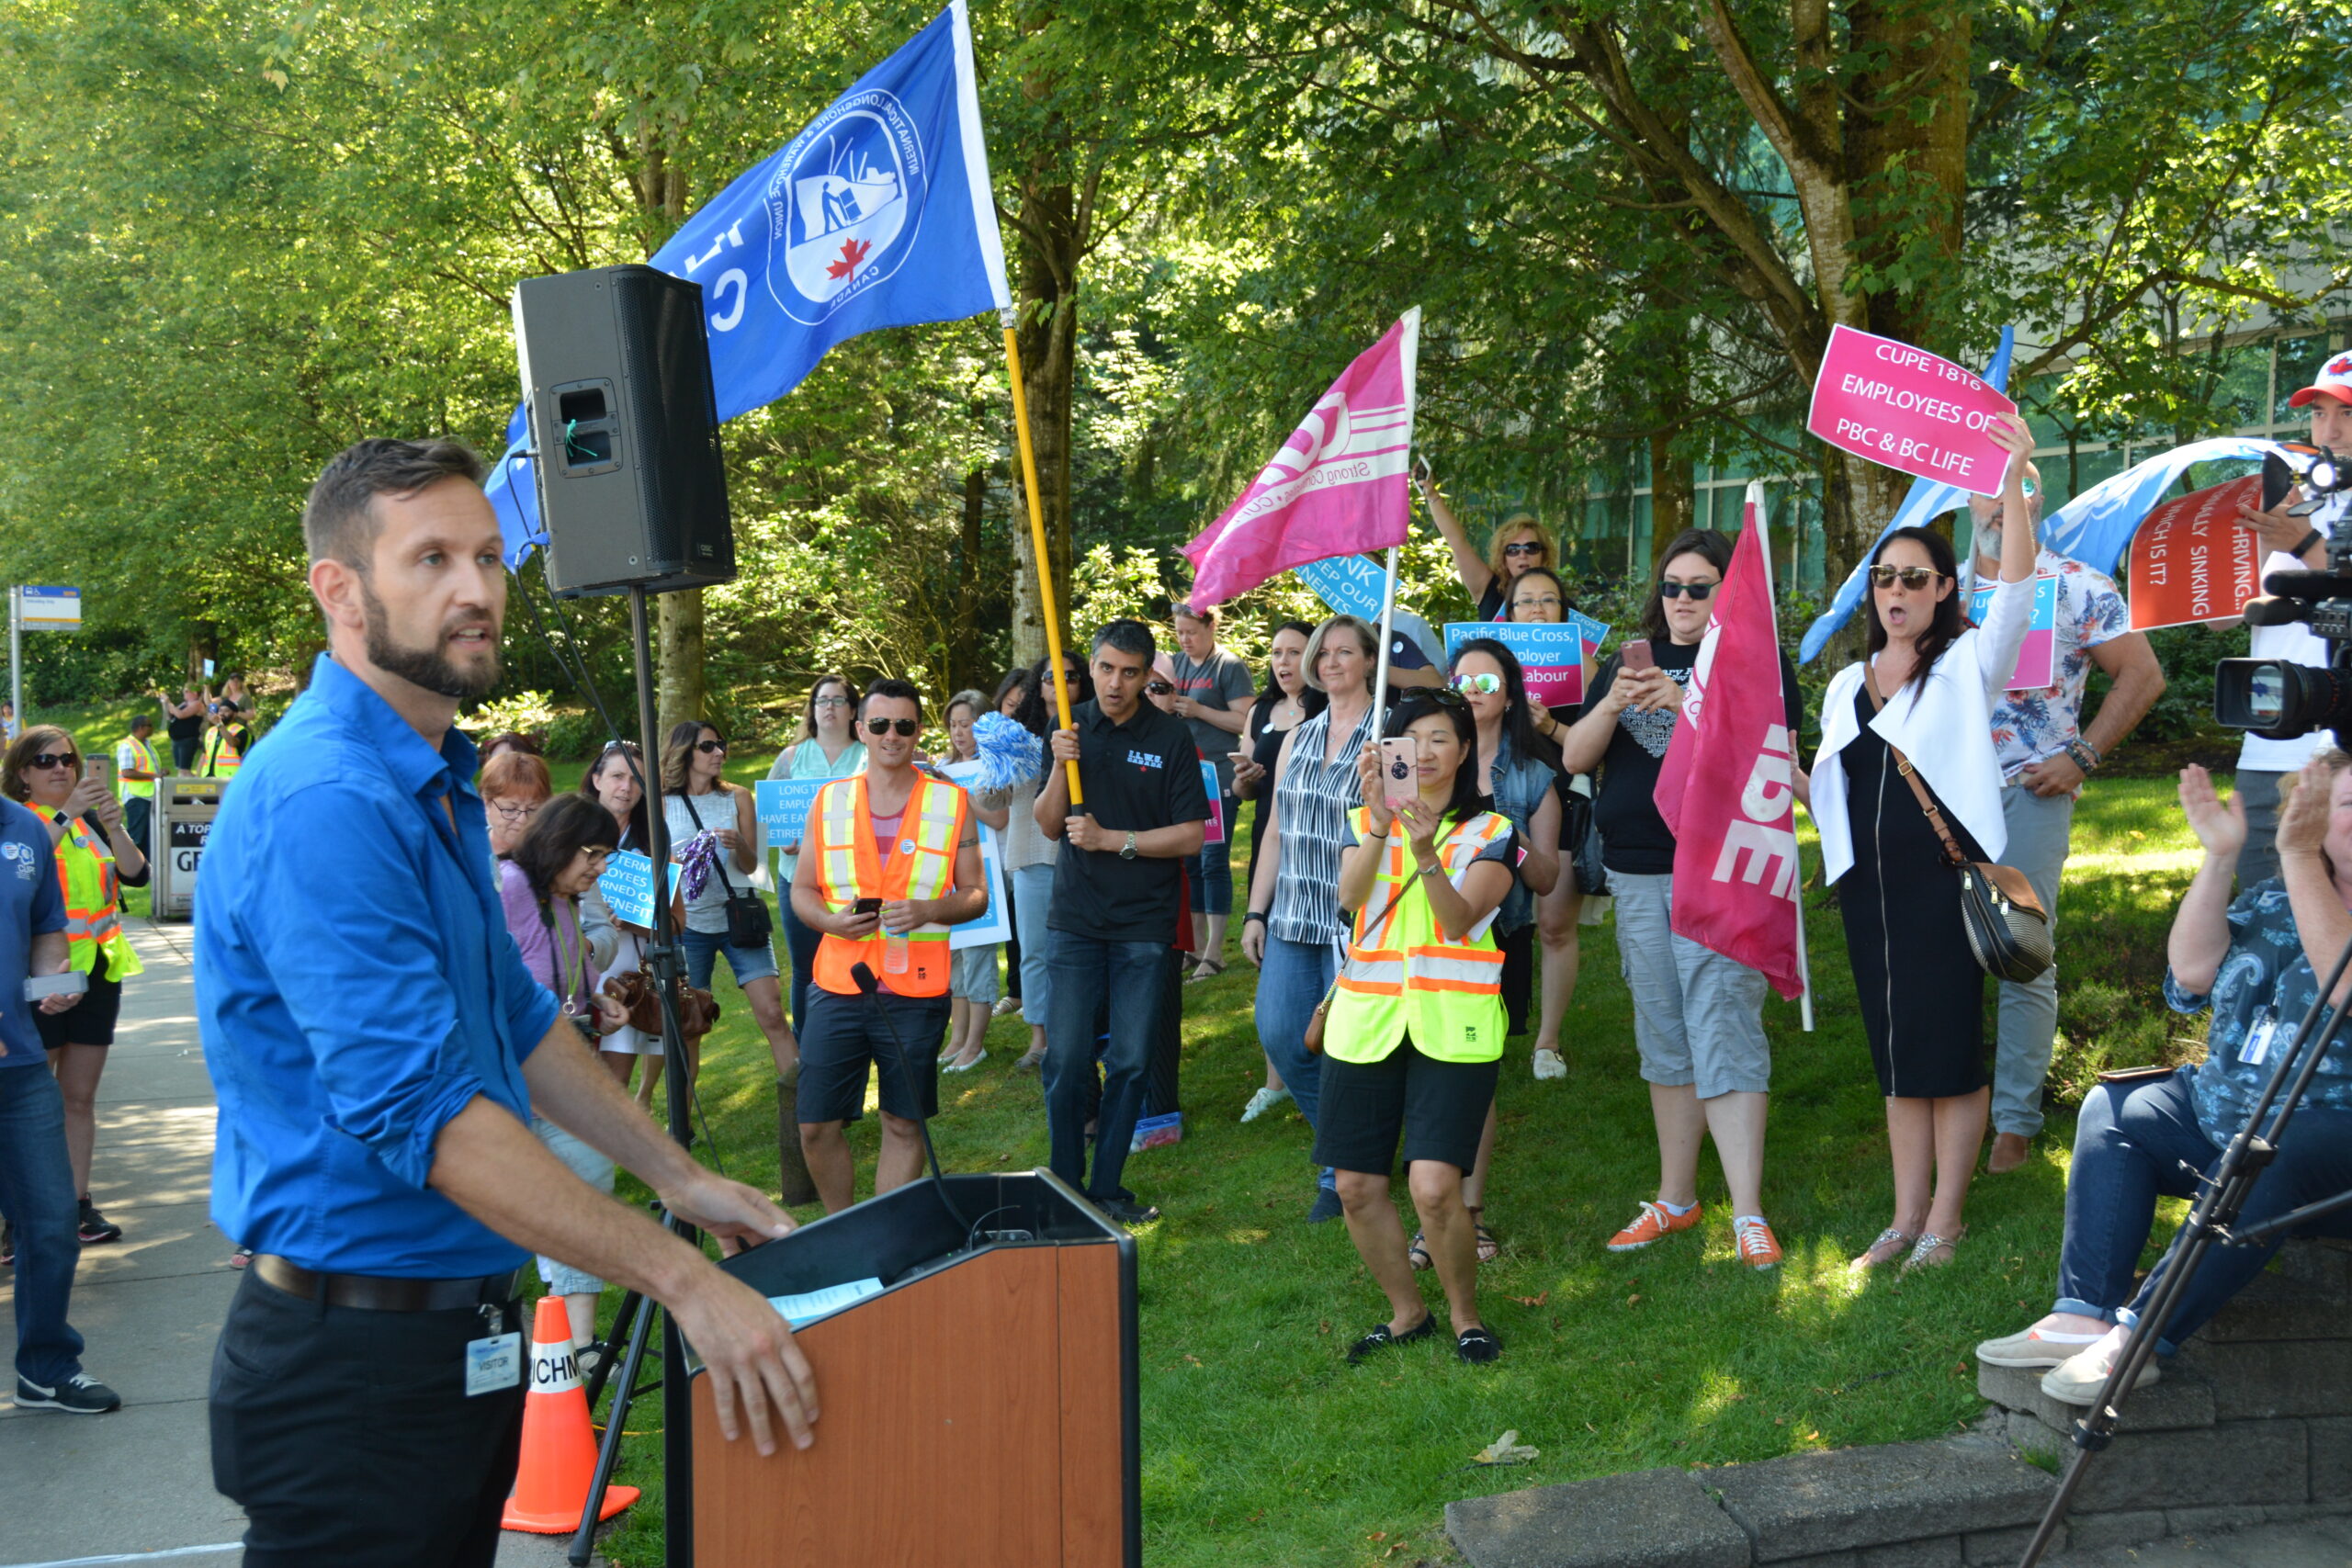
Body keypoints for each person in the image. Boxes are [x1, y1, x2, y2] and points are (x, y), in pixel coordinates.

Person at [201, 438, 816, 1566]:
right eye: (431, 559)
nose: (477, 588)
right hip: (354, 1368)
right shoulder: (326, 798)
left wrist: (679, 1178)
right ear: (340, 590)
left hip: (454, 1337)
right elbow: (427, 1116)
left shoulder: (427, 776)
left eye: (488, 556)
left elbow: (519, 1019)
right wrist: (680, 1279)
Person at [1976, 759, 2352, 1404]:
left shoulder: (2299, 874)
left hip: (2325, 1143)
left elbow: (2343, 989)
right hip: (2228, 1117)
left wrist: (2295, 856)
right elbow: (2192, 971)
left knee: (2265, 1150)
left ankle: (2141, 1337)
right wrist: (2220, 857)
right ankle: (2082, 1314)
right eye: (2343, 805)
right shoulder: (2271, 899)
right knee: (2119, 1108)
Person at [1812, 414, 2040, 1273]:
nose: (1896, 590)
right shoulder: (1845, 683)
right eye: (1884, 577)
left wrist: (2013, 482)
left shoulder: (1965, 666)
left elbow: (2015, 593)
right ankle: (1904, 1217)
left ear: (1944, 588)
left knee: (1946, 1053)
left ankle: (1946, 1220)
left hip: (1943, 889)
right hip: (1868, 894)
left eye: (1914, 577)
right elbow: (1837, 789)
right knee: (1898, 1058)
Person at [1558, 532, 1805, 1269]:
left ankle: (1748, 1211)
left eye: (1700, 587)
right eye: (1672, 586)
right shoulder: (1626, 661)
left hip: (1717, 871)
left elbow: (1772, 770)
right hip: (1636, 873)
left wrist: (1689, 703)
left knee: (1723, 1027)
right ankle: (1676, 1198)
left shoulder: (1753, 664)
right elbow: (1575, 758)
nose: (1683, 600)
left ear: (1727, 594)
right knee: (1663, 1033)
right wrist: (1612, 703)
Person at [1961, 465, 2166, 1175]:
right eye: (1987, 488)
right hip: (1939, 801)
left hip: (2029, 793)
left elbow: (2143, 673)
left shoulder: (2078, 585)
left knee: (2020, 954)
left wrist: (2081, 755)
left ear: (2037, 497)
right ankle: (1949, 1104)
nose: (2001, 501)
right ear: (1966, 499)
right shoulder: (1938, 588)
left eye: (2017, 486)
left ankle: (2014, 1122)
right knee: (1942, 957)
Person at [1323, 688, 1516, 1366]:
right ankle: (1408, 1313)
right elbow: (1350, 899)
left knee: (1435, 1188)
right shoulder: (1362, 820)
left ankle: (1466, 1316)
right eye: (1412, 740)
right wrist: (1381, 825)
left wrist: (1427, 851)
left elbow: (1459, 920)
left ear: (1465, 751)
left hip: (1453, 1024)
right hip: (1365, 1020)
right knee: (1355, 1187)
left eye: (1441, 739)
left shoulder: (1491, 831)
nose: (1426, 753)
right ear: (1389, 752)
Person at [1035, 621, 1208, 1227]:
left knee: (1131, 1060)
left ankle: (1106, 1185)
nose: (1115, 683)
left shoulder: (1170, 735)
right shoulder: (1069, 726)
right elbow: (1048, 825)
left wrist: (1113, 839)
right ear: (1093, 666)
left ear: (1145, 675)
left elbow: (1191, 834)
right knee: (1066, 1059)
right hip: (1076, 919)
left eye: (1130, 673)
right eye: (1106, 668)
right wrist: (1059, 766)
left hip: (1143, 923)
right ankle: (1064, 1184)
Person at [789, 679, 984, 1212]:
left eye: (903, 725)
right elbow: (802, 890)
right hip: (837, 982)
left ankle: (886, 1236)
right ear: (861, 730)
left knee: (903, 1122)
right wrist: (831, 923)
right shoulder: (830, 800)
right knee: (815, 1126)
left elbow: (976, 895)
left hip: (916, 988)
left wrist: (930, 910)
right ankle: (845, 1230)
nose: (891, 735)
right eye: (879, 724)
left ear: (918, 732)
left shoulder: (951, 802)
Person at [1420, 637, 1561, 1270]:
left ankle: (1467, 1211)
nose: (1473, 692)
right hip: (1420, 939)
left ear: (1509, 696)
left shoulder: (1533, 775)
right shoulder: (1419, 758)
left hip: (1497, 940)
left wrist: (1508, 835)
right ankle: (1433, 1209)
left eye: (1487, 683)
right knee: (1421, 1071)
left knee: (1472, 1075)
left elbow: (1547, 879)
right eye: (1463, 681)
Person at [1242, 615, 1384, 1222]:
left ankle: (1340, 1173)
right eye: (1323, 653)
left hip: (1354, 919)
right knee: (1280, 1034)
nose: (1330, 662)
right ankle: (1351, 1148)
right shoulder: (1298, 735)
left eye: (1344, 652)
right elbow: (1274, 829)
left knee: (1346, 1050)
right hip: (1291, 914)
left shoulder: (1388, 735)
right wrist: (1255, 911)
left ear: (1369, 660)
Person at [496, 795, 631, 1360]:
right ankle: (497, 1329)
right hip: (511, 1073)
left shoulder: (564, 896)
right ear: (560, 843)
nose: (599, 868)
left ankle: (581, 1345)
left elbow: (571, 958)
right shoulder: (509, 886)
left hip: (564, 1067)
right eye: (593, 854)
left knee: (588, 1186)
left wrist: (597, 994)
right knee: (509, 1206)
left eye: (605, 857)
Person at [6, 727, 150, 1249]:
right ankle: (20, 1217)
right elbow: (23, 867)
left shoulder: (86, 824)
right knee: (27, 1102)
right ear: (23, 772)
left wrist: (114, 826)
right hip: (38, 980)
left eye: (67, 759)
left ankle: (76, 1205)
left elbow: (136, 874)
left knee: (79, 1099)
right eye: (46, 761)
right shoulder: (18, 823)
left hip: (97, 974)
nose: (62, 768)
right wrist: (67, 815)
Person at [0, 785, 119, 1412]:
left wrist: (55, 982)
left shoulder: (25, 829)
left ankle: (46, 1368)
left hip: (19, 1067)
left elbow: (46, 928)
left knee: (52, 1223)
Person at [2224, 351, 2352, 889]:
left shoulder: (2299, 523)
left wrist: (2302, 543)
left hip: (2342, 750)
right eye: (2320, 413)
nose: (2330, 430)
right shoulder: (2292, 503)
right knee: (2261, 910)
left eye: (2347, 413)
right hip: (2269, 733)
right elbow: (2221, 621)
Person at [664, 719, 799, 1090]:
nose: (719, 753)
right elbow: (654, 868)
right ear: (684, 752)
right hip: (689, 927)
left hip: (739, 918)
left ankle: (803, 1110)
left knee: (773, 1014)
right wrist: (678, 863)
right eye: (708, 746)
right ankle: (684, 1117)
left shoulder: (737, 797)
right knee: (690, 1026)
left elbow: (753, 867)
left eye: (720, 744)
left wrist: (739, 844)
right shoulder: (661, 803)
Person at [1505, 564, 1597, 1077]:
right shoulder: (1489, 661)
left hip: (1561, 796)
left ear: (1564, 612)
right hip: (1496, 797)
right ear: (1509, 612)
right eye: (1526, 600)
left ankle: (1548, 1042)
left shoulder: (1584, 664)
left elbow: (1601, 745)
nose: (1537, 609)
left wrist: (1552, 726)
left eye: (1548, 600)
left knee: (1555, 926)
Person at [1231, 619, 1322, 1121]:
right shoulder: (1260, 711)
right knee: (1270, 952)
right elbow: (1242, 792)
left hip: (1315, 849)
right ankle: (1276, 1079)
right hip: (1269, 841)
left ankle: (1319, 1063)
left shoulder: (1328, 710)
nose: (1283, 662)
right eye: (1276, 653)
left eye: (1294, 652)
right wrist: (1247, 777)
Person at [767, 676, 867, 1031]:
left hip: (851, 878)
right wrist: (782, 838)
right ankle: (806, 1043)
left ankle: (850, 1035)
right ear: (812, 709)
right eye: (822, 700)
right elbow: (770, 815)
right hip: (798, 876)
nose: (829, 707)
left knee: (854, 960)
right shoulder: (791, 757)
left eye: (838, 700)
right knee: (805, 968)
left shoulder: (867, 755)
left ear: (853, 711)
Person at [1167, 604, 1255, 982]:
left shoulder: (1228, 666)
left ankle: (1215, 952)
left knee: (1213, 861)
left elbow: (1246, 720)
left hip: (1217, 774)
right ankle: (1195, 946)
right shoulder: (1174, 664)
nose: (1185, 640)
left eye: (1192, 632)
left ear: (1211, 627)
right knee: (1189, 862)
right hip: (1182, 775)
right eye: (1179, 632)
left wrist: (1199, 711)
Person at [576, 741, 664, 1111]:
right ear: (597, 779)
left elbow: (676, 924)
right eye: (616, 776)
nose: (626, 787)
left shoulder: (654, 841)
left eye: (636, 779)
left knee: (613, 1087)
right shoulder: (569, 832)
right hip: (577, 963)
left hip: (625, 975)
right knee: (572, 1078)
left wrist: (634, 921)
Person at [938, 689, 1009, 1073]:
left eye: (965, 724)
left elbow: (999, 818)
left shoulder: (995, 766)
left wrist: (960, 796)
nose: (958, 733)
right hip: (950, 877)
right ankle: (958, 1039)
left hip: (987, 877)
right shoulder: (945, 766)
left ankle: (975, 1045)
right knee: (955, 959)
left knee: (978, 957)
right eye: (953, 725)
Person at [1422, 471, 1563, 622]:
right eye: (1513, 550)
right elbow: (1457, 542)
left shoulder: (1565, 605)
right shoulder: (1489, 589)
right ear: (1503, 558)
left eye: (1531, 548)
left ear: (1544, 554)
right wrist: (1432, 495)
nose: (1522, 555)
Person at [989, 667, 1040, 1026]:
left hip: (1048, 849)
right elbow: (992, 797)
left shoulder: (1046, 737)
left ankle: (1038, 1005)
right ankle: (1021, 996)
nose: (1016, 711)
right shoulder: (999, 743)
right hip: (1015, 855)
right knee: (1018, 932)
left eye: (1021, 703)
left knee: (1041, 939)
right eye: (1009, 704)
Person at [115, 712, 162, 855]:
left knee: (149, 838)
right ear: (141, 727)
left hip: (149, 795)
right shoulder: (127, 746)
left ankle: (146, 866)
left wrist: (160, 773)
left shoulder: (147, 744)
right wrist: (154, 776)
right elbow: (127, 772)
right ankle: (131, 864)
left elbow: (148, 767)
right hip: (136, 797)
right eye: (150, 725)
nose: (152, 728)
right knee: (137, 837)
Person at [202, 699, 250, 779]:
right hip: (208, 776)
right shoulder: (211, 731)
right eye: (220, 710)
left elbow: (233, 743)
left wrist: (219, 724)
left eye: (226, 711)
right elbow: (204, 755)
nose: (222, 713)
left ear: (235, 714)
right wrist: (197, 777)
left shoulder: (241, 730)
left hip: (230, 777)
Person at [164, 684, 207, 773]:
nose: (184, 693)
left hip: (188, 739)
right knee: (180, 770)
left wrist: (169, 702)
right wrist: (165, 703)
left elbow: (181, 715)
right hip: (177, 740)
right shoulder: (184, 704)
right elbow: (169, 716)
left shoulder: (197, 704)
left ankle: (194, 781)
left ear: (195, 693)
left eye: (186, 691)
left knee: (184, 770)